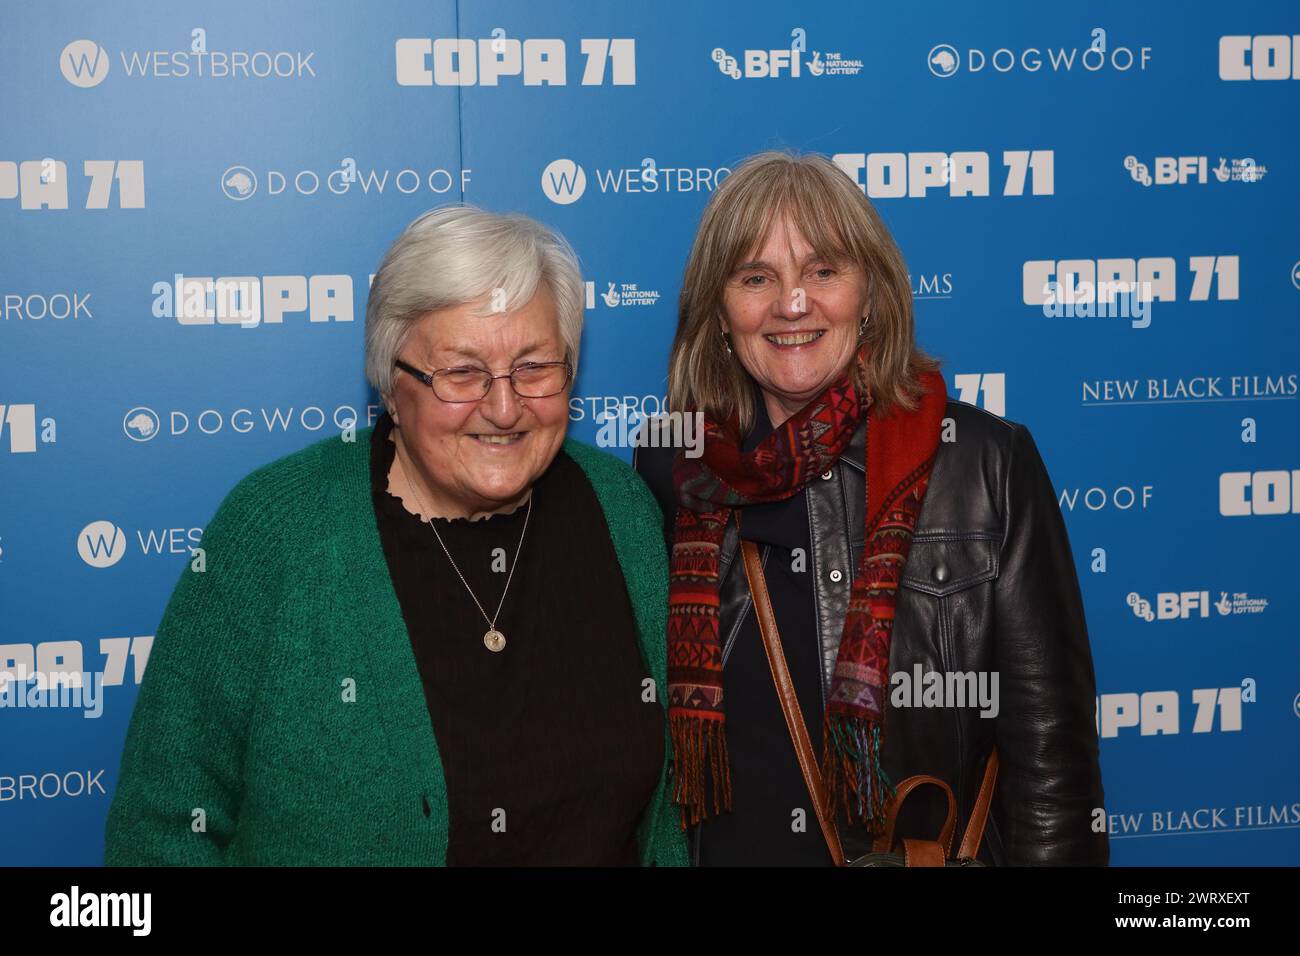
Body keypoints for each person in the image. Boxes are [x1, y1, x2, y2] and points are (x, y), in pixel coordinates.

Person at [104, 203, 687, 866]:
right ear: (390, 380)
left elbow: (666, 819)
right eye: (462, 372)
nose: (503, 407)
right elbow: (162, 829)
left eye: (533, 367)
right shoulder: (276, 530)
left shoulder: (621, 511)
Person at [634, 150, 1108, 866]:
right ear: (720, 312)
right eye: (756, 278)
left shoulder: (981, 464)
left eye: (823, 271)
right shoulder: (673, 466)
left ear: (872, 293)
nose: (793, 304)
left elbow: (1053, 770)